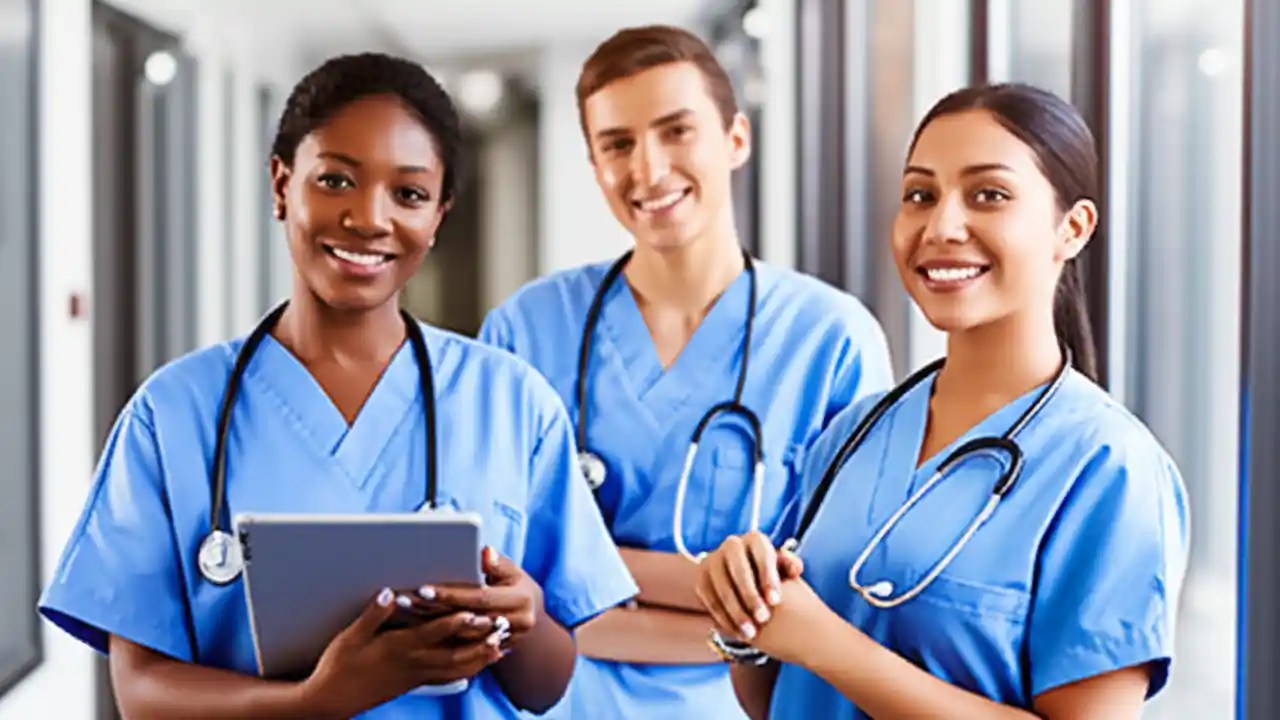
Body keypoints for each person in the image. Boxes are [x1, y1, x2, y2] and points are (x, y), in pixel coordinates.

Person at [37, 52, 637, 719]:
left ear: (438, 215)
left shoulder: (514, 404)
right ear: (280, 184)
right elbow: (141, 694)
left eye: (408, 194)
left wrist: (525, 620)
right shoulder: (172, 414)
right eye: (335, 180)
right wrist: (316, 701)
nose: (369, 218)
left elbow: (547, 686)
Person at [695, 82, 1191, 719]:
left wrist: (827, 643)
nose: (941, 225)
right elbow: (778, 698)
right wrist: (746, 610)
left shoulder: (1110, 469)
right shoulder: (854, 433)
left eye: (989, 194)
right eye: (920, 195)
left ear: (1073, 228)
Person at [478, 25, 893, 719]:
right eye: (617, 144)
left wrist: (588, 581)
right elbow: (501, 576)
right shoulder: (527, 329)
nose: (647, 168)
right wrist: (733, 607)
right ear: (594, 165)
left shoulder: (831, 340)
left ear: (736, 138)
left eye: (676, 131)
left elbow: (836, 597)